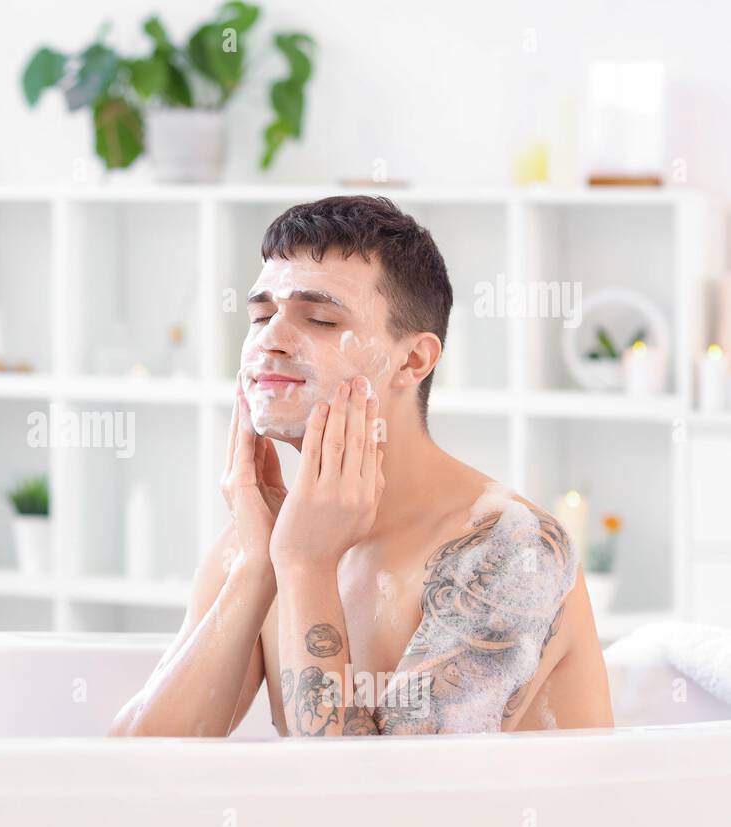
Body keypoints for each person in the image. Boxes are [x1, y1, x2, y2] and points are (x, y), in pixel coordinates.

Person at [110, 195, 613, 737]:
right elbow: (136, 772)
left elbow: (373, 808)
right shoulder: (260, 544)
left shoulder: (511, 552)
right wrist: (259, 567)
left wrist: (304, 567)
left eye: (320, 318)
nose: (269, 341)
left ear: (413, 360)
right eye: (260, 315)